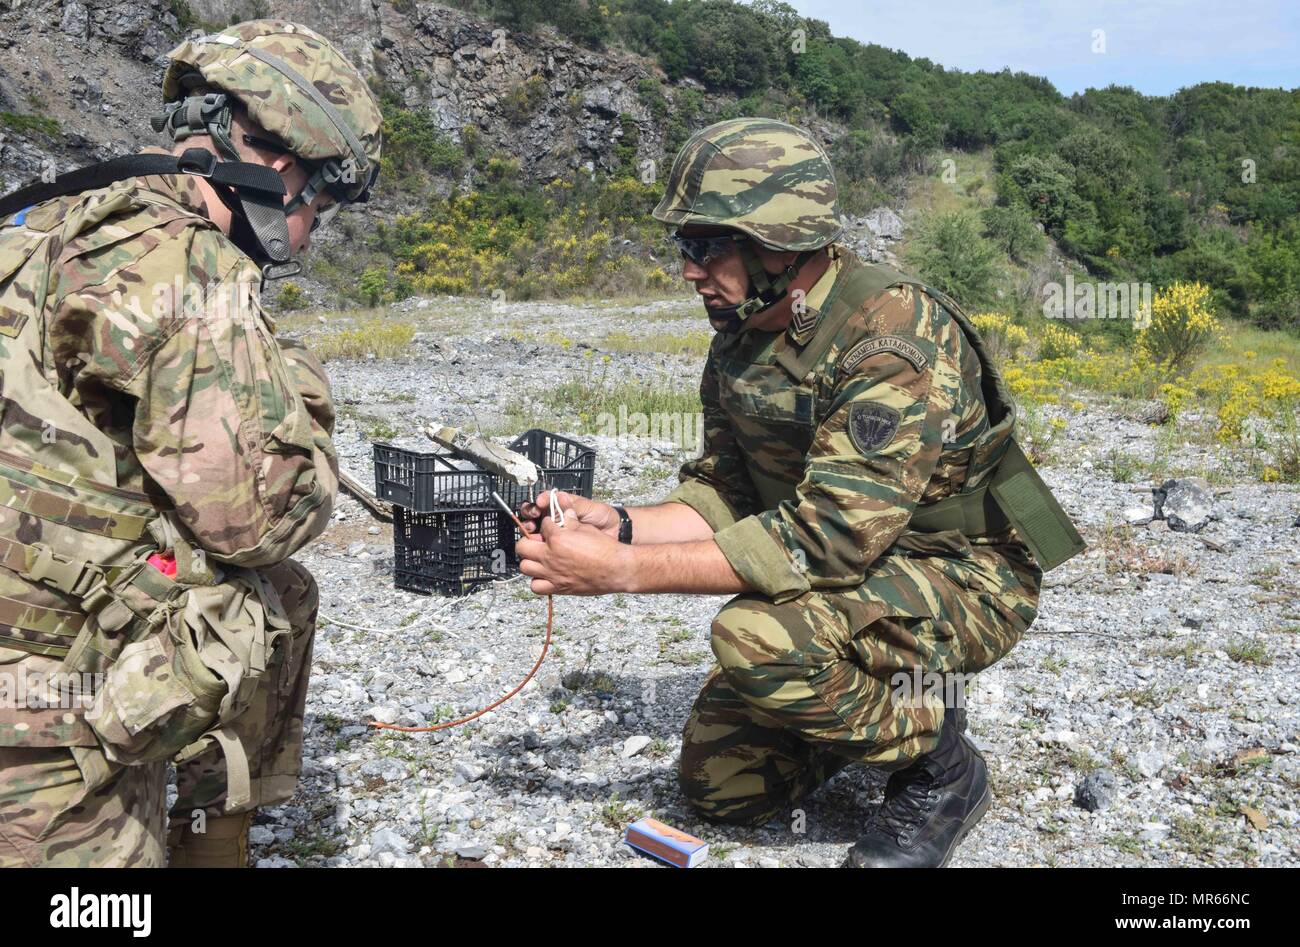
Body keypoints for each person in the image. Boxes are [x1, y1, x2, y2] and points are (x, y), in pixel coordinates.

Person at [515, 117, 1082, 867]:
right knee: (724, 787)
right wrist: (617, 524)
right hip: (859, 569)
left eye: (707, 247)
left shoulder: (893, 339)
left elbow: (827, 538)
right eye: (685, 247)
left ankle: (941, 762)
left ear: (777, 246)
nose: (690, 270)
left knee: (754, 635)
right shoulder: (743, 333)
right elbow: (724, 489)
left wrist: (621, 572)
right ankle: (859, 708)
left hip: (963, 571)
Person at [0, 19, 382, 867]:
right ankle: (205, 839)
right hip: (40, 706)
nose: (314, 230)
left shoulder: (38, 217)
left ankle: (214, 828)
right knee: (251, 596)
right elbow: (263, 516)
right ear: (286, 171)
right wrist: (304, 393)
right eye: (326, 202)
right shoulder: (187, 263)